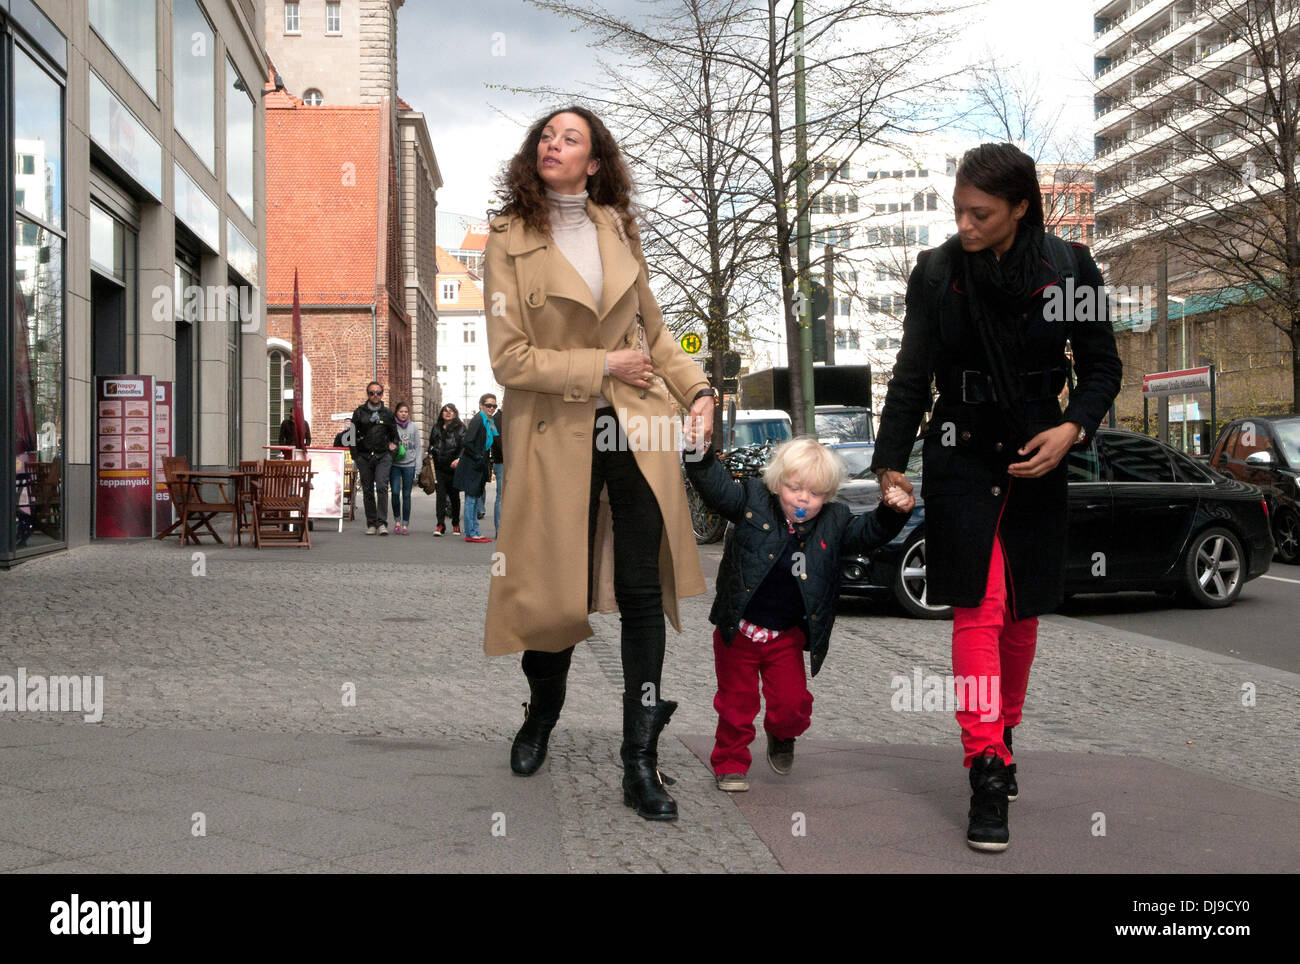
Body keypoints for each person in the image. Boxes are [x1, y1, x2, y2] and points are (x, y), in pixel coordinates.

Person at [869, 143, 1122, 852]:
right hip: (960, 450)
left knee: (1022, 614)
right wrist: (891, 461)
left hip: (1041, 451)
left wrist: (1072, 429)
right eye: (958, 210)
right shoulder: (938, 271)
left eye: (981, 213)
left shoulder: (1071, 268)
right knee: (976, 607)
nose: (966, 223)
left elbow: (1103, 367)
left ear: (1020, 207)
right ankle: (985, 763)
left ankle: (1005, 727)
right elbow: (911, 374)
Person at [482, 105, 716, 821]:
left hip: (637, 428)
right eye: (546, 136)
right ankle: (541, 710)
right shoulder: (506, 238)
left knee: (644, 595)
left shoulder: (617, 228)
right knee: (554, 594)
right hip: (555, 433)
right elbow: (509, 359)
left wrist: (700, 391)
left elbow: (658, 330)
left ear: (594, 161)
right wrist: (601, 361)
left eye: (570, 138)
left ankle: (638, 761)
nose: (554, 144)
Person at [684, 435, 912, 792]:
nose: (803, 498)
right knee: (735, 704)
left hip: (786, 635)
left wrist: (893, 512)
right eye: (794, 488)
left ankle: (782, 734)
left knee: (791, 705)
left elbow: (868, 533)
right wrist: (697, 451)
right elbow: (716, 486)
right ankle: (730, 762)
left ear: (828, 495)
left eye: (816, 493)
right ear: (777, 483)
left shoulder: (834, 521)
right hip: (739, 630)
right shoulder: (752, 500)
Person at [350, 381, 400, 536]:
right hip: (364, 456)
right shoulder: (359, 413)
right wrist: (356, 456)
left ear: (382, 394)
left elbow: (395, 437)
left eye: (378, 393)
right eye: (372, 393)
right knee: (367, 490)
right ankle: (371, 523)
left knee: (382, 486)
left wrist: (392, 451)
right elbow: (351, 435)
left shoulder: (388, 414)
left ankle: (382, 523)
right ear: (368, 394)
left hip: (382, 455)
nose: (375, 396)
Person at [453, 395, 496, 544]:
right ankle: (471, 532)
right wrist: (478, 457)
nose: (491, 408)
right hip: (472, 465)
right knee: (471, 500)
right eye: (488, 405)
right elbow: (468, 442)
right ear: (481, 405)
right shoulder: (479, 420)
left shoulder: (487, 421)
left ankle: (475, 531)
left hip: (477, 465)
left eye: (493, 406)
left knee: (474, 499)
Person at [428, 403, 465, 536]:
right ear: (441, 413)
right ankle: (440, 525)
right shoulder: (436, 427)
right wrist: (431, 451)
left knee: (455, 497)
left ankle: (455, 523)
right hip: (439, 467)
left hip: (454, 467)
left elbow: (463, 446)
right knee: (440, 497)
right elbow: (431, 443)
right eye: (445, 411)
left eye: (451, 411)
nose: (448, 413)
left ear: (455, 413)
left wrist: (459, 459)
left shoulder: (460, 428)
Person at [390, 401, 419, 535]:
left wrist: (417, 467)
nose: (403, 414)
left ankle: (405, 524)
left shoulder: (413, 427)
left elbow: (418, 447)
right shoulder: (392, 426)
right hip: (395, 464)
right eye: (401, 411)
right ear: (396, 412)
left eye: (406, 412)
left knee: (406, 494)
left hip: (409, 465)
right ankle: (397, 521)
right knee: (395, 492)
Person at [490, 400, 504, 536]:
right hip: (502, 462)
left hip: (504, 462)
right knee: (501, 496)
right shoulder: (496, 419)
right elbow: (499, 442)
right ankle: (499, 529)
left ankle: (501, 529)